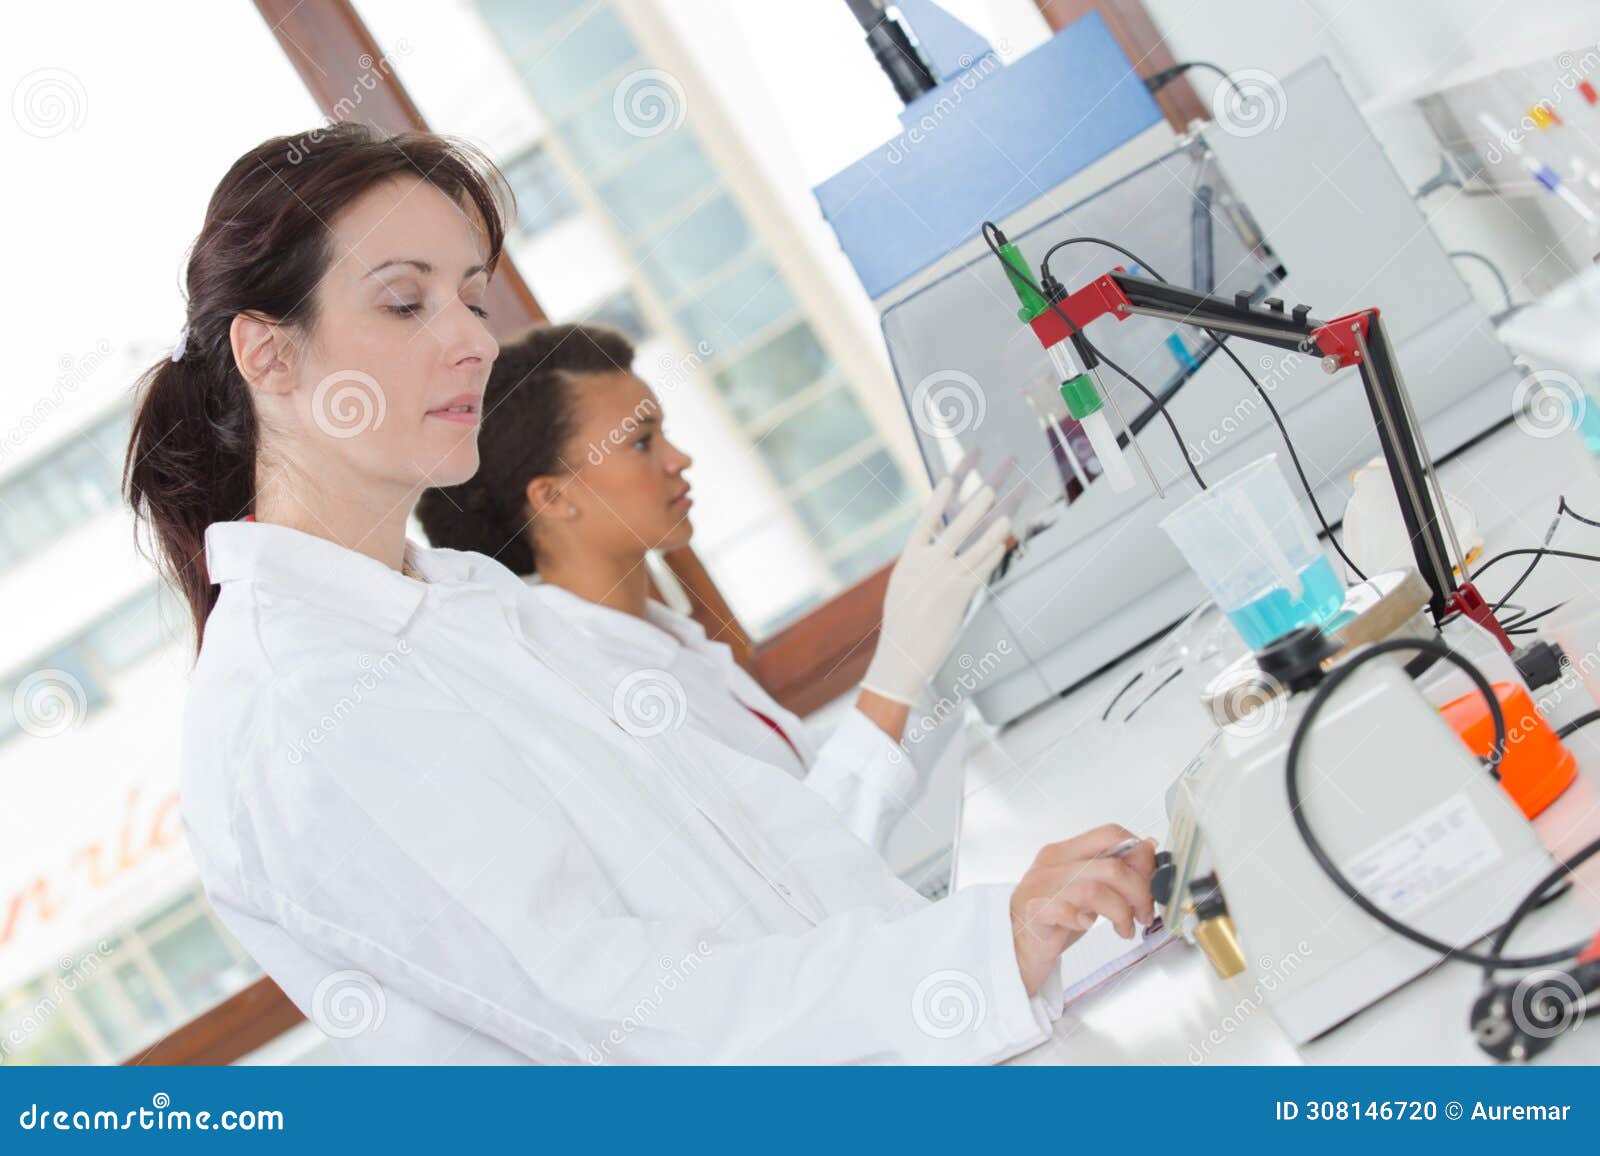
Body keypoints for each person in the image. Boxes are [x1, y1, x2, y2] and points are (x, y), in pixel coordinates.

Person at [130, 121, 1156, 1065]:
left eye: (473, 298)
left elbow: (767, 848)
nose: (473, 340)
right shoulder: (301, 700)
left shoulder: (464, 599)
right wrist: (980, 955)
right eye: (406, 303)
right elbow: (622, 1010)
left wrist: (998, 935)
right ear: (267, 352)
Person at [415, 323, 997, 850]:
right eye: (642, 442)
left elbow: (808, 792)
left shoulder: (661, 637)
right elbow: (805, 866)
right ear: (555, 497)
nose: (680, 458)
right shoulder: (595, 683)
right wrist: (895, 668)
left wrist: (938, 660)